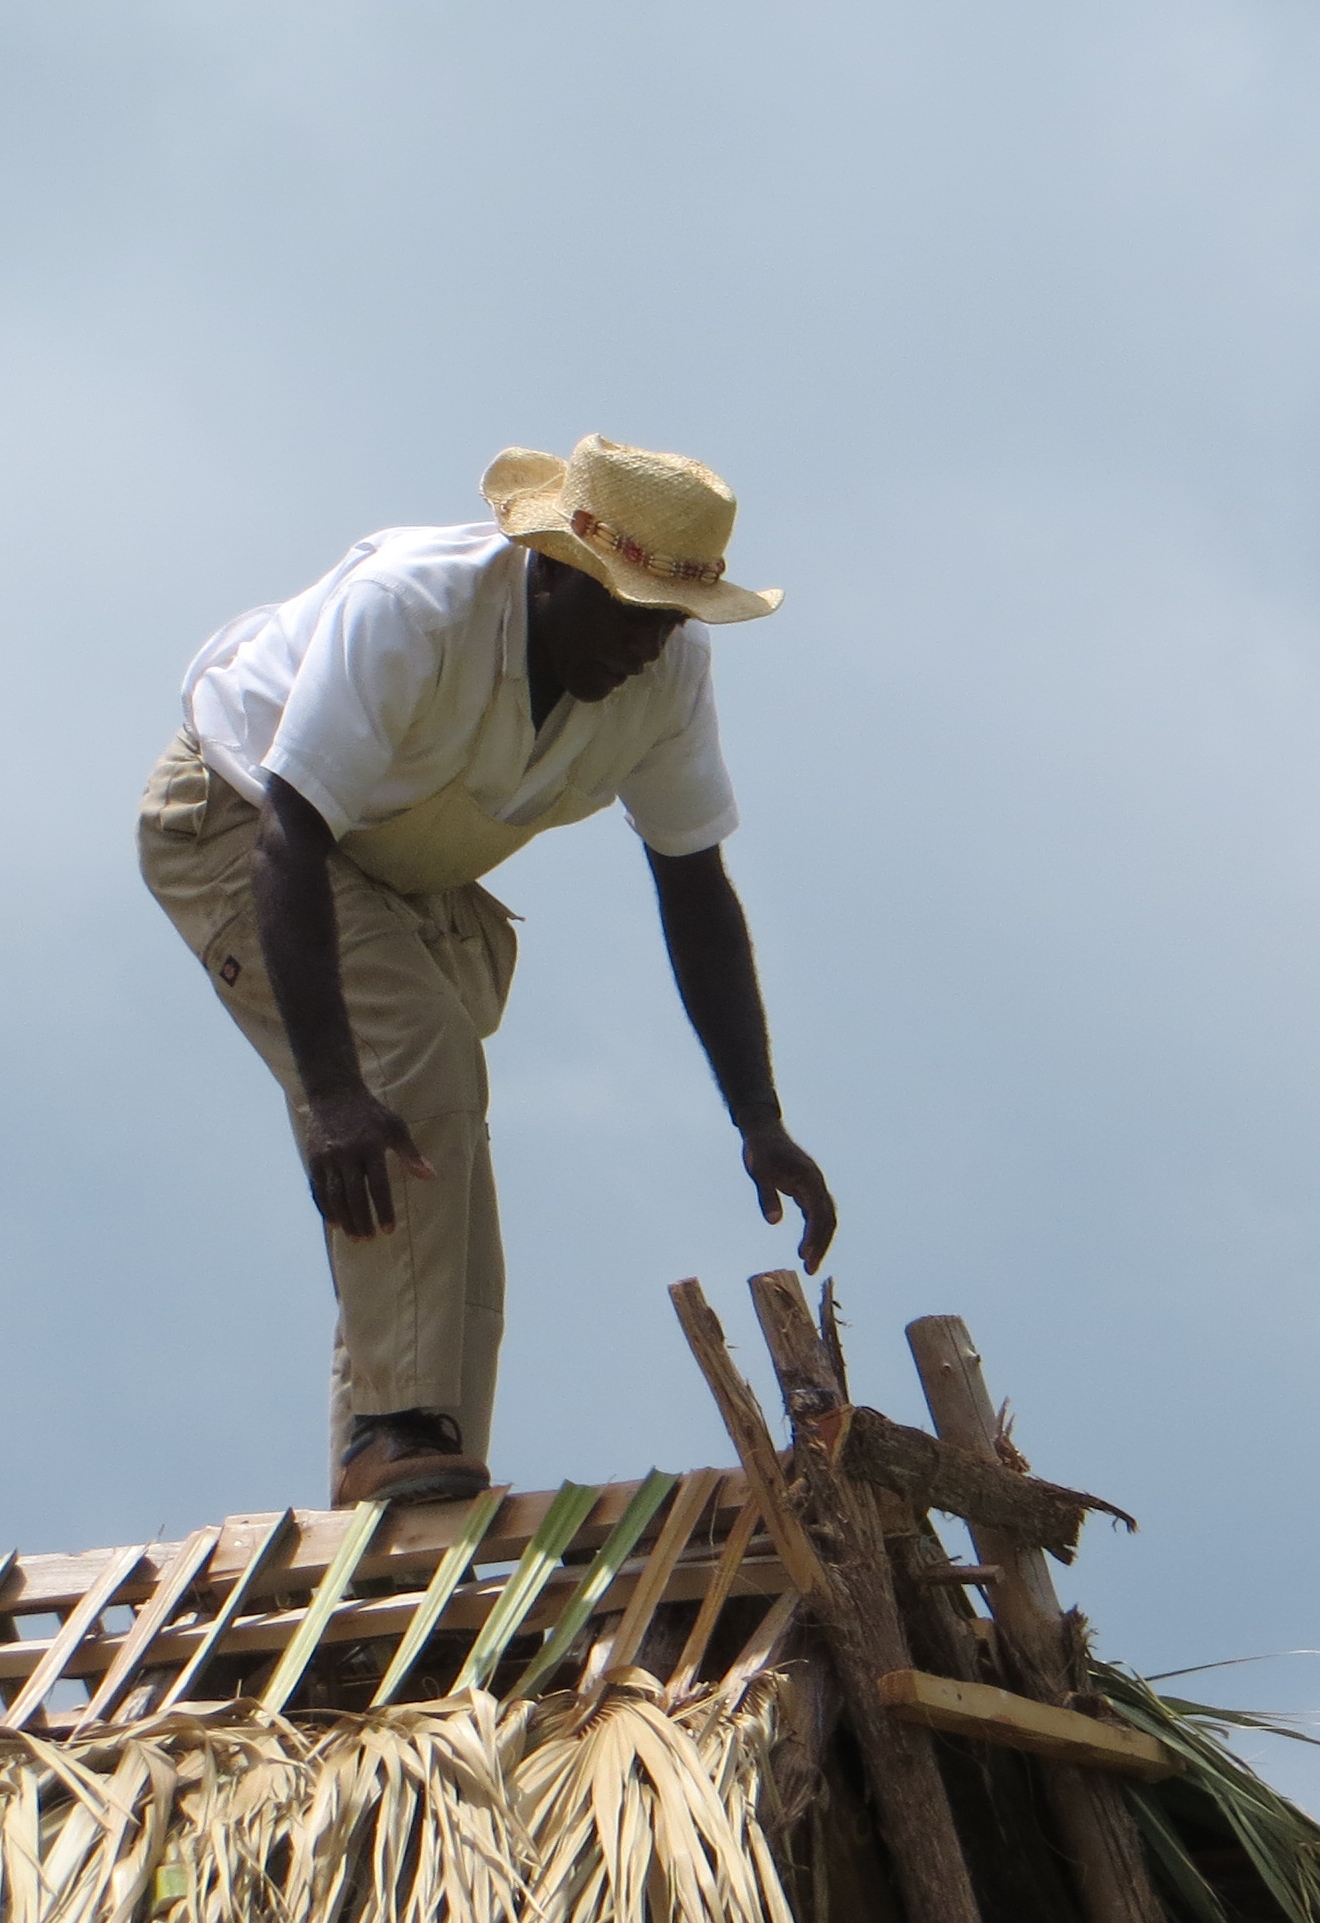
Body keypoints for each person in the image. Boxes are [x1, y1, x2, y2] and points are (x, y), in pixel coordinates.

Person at [141, 436, 838, 1510]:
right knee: (414, 1060)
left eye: (668, 619)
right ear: (551, 569)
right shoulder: (413, 610)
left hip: (401, 873)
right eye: (627, 610)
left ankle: (407, 1448)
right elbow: (286, 835)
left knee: (433, 1140)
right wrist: (331, 1092)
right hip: (239, 822)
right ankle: (395, 1425)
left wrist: (759, 1116)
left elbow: (694, 889)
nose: (648, 646)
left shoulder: (664, 678)